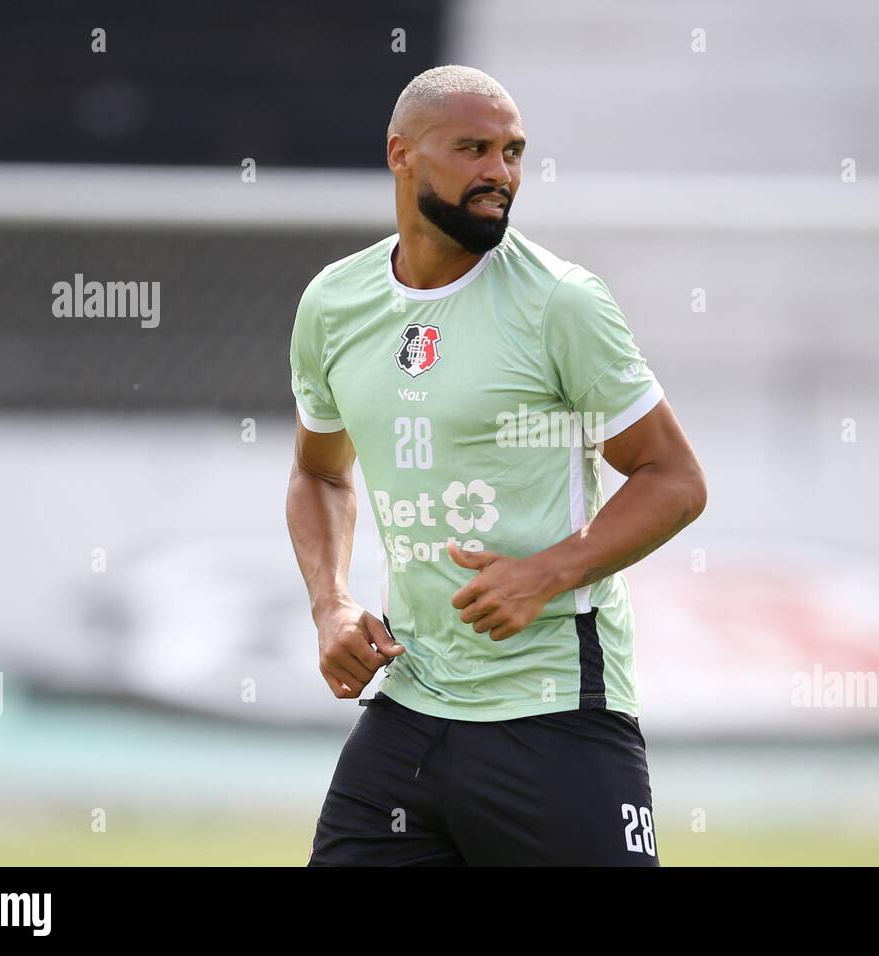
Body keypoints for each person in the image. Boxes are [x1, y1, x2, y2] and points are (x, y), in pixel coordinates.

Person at [286, 64, 706, 866]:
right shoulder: (333, 304)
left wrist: (545, 572)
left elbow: (675, 479)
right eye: (474, 149)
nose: (500, 174)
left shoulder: (561, 302)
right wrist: (330, 606)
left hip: (555, 716)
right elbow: (319, 473)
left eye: (513, 152)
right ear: (401, 154)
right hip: (408, 713)